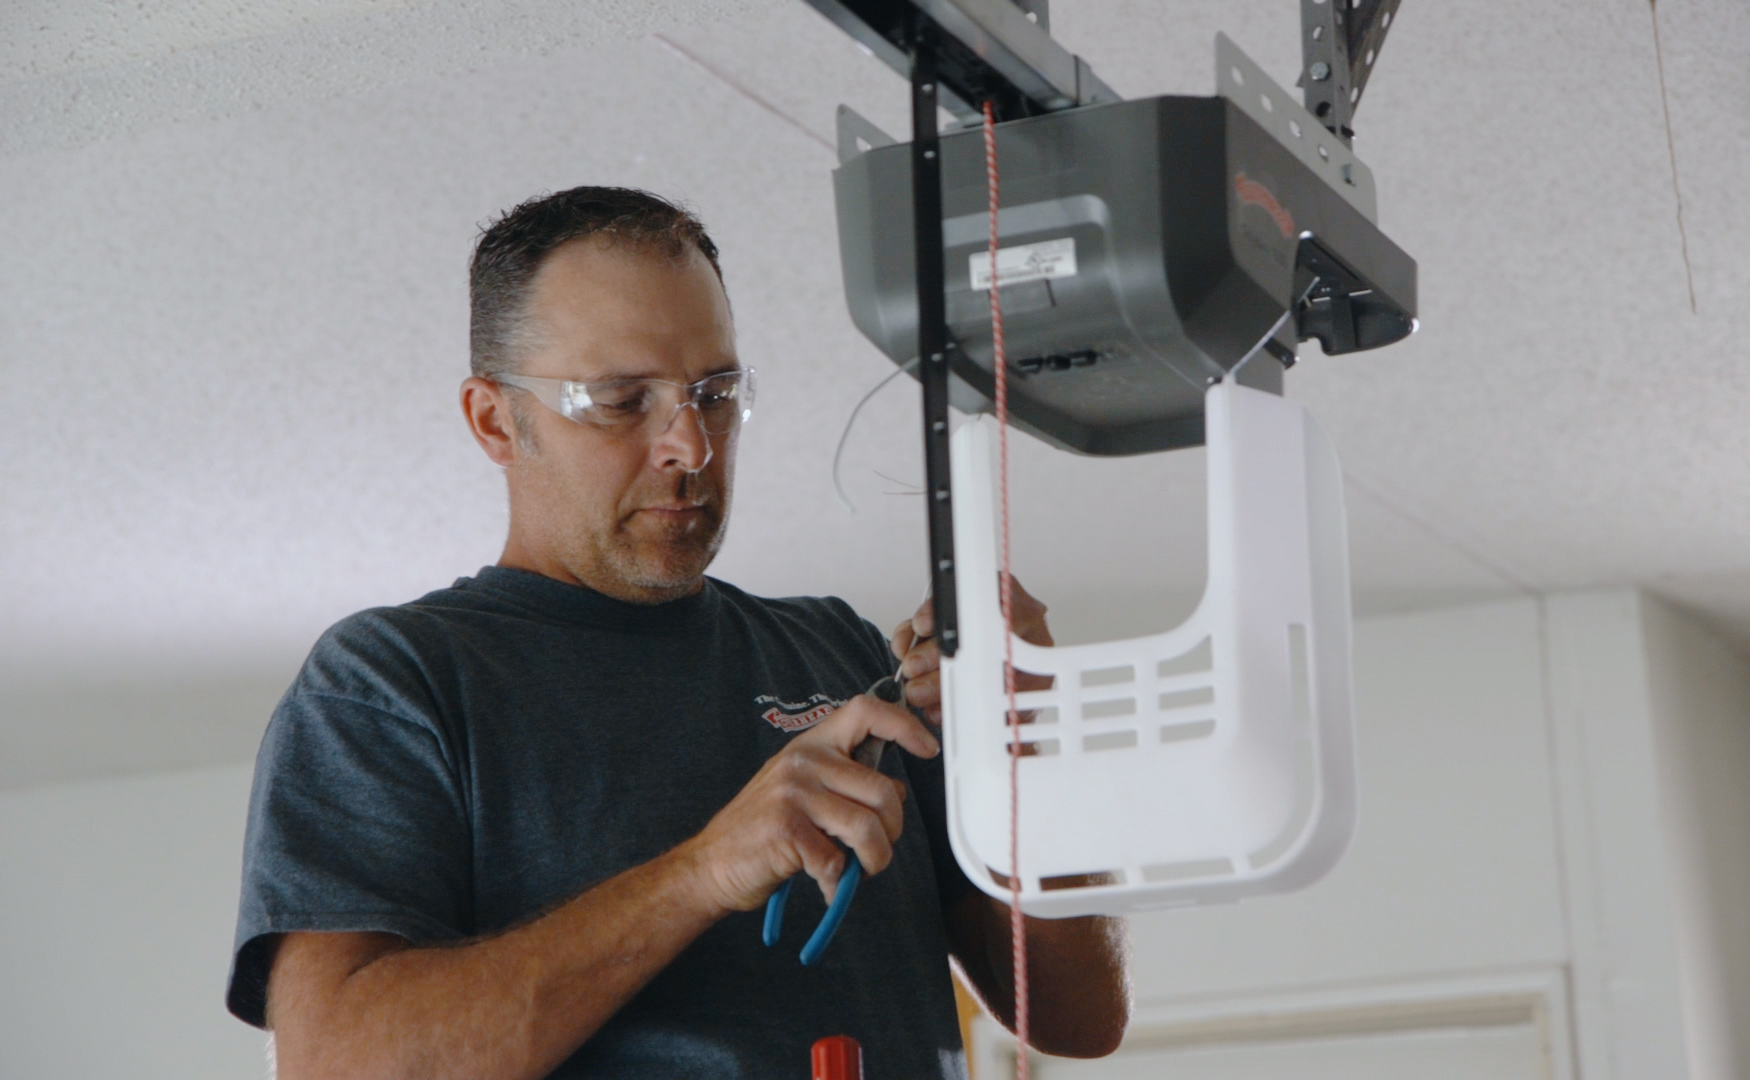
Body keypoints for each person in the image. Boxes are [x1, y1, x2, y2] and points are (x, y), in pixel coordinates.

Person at [226, 186, 1129, 1080]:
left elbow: (1079, 1016)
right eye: (623, 401)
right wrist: (705, 872)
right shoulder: (393, 684)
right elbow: (337, 1064)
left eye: (715, 392)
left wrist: (1030, 743)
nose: (690, 447)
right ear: (495, 421)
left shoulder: (841, 655)